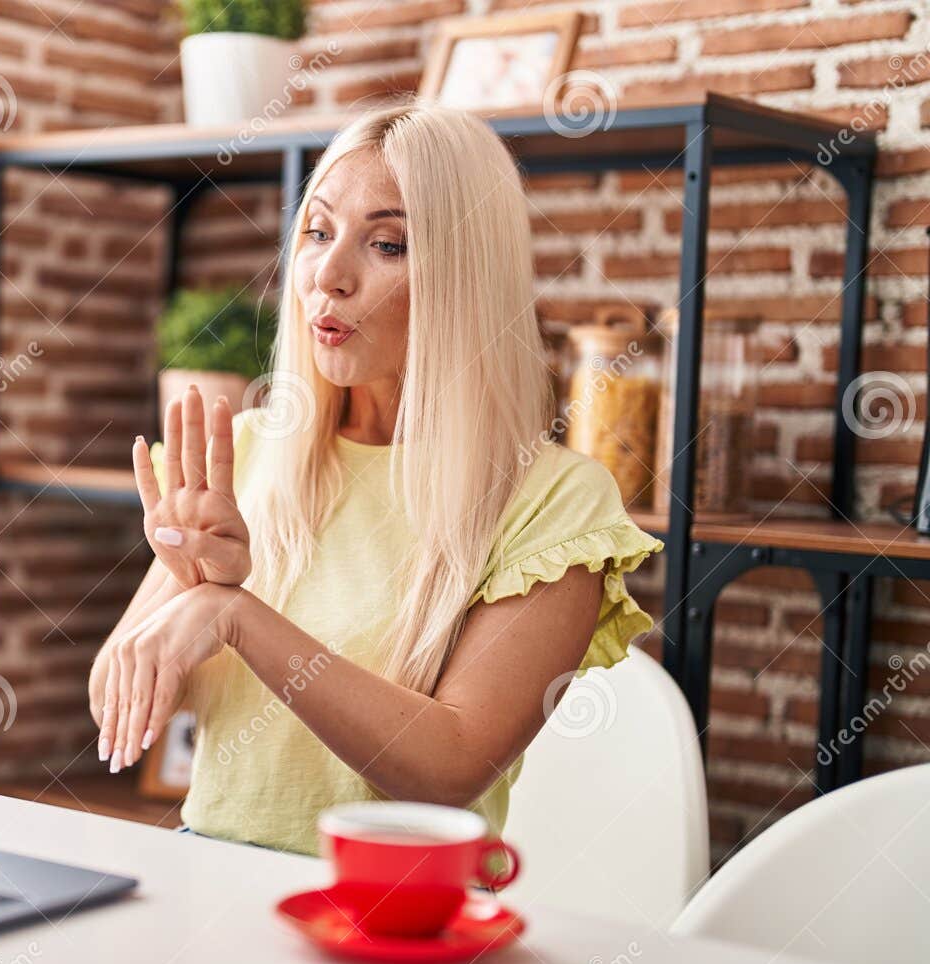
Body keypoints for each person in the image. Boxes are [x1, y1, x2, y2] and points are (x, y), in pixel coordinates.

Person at [88, 99, 664, 857]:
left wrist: (238, 614)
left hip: (410, 923)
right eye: (318, 232)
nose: (329, 274)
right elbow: (117, 704)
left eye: (387, 244)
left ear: (466, 277)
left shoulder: (554, 502)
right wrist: (192, 582)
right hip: (216, 885)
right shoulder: (250, 451)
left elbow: (451, 765)